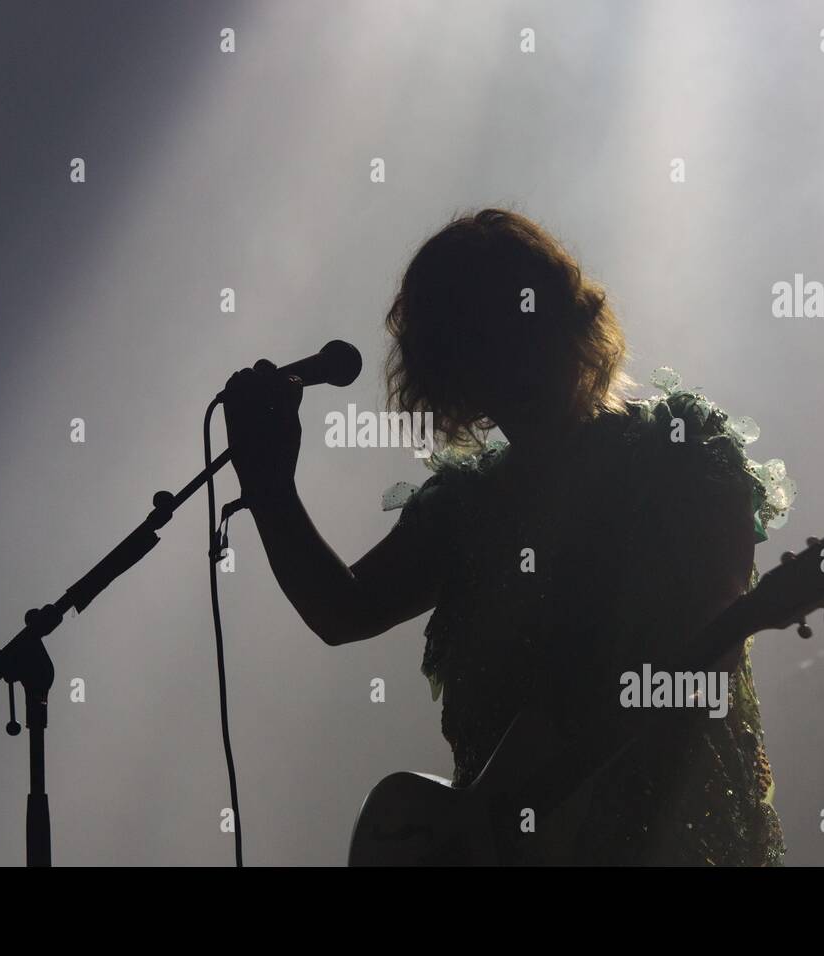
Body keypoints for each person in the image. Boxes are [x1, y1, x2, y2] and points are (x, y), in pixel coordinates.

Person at [222, 209, 788, 865]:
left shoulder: (680, 459)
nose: (484, 360)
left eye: (491, 330)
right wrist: (268, 486)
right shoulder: (466, 508)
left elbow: (703, 658)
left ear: (550, 322)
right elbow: (342, 610)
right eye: (458, 341)